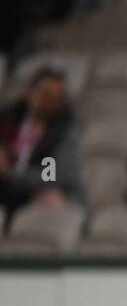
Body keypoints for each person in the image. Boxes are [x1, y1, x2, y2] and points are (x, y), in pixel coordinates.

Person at [0, 67, 83, 211]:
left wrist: (10, 172)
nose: (51, 102)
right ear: (30, 92)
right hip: (6, 187)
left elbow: (54, 176)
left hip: (36, 191)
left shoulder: (66, 131)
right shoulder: (7, 119)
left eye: (57, 98)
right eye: (46, 95)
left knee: (50, 200)